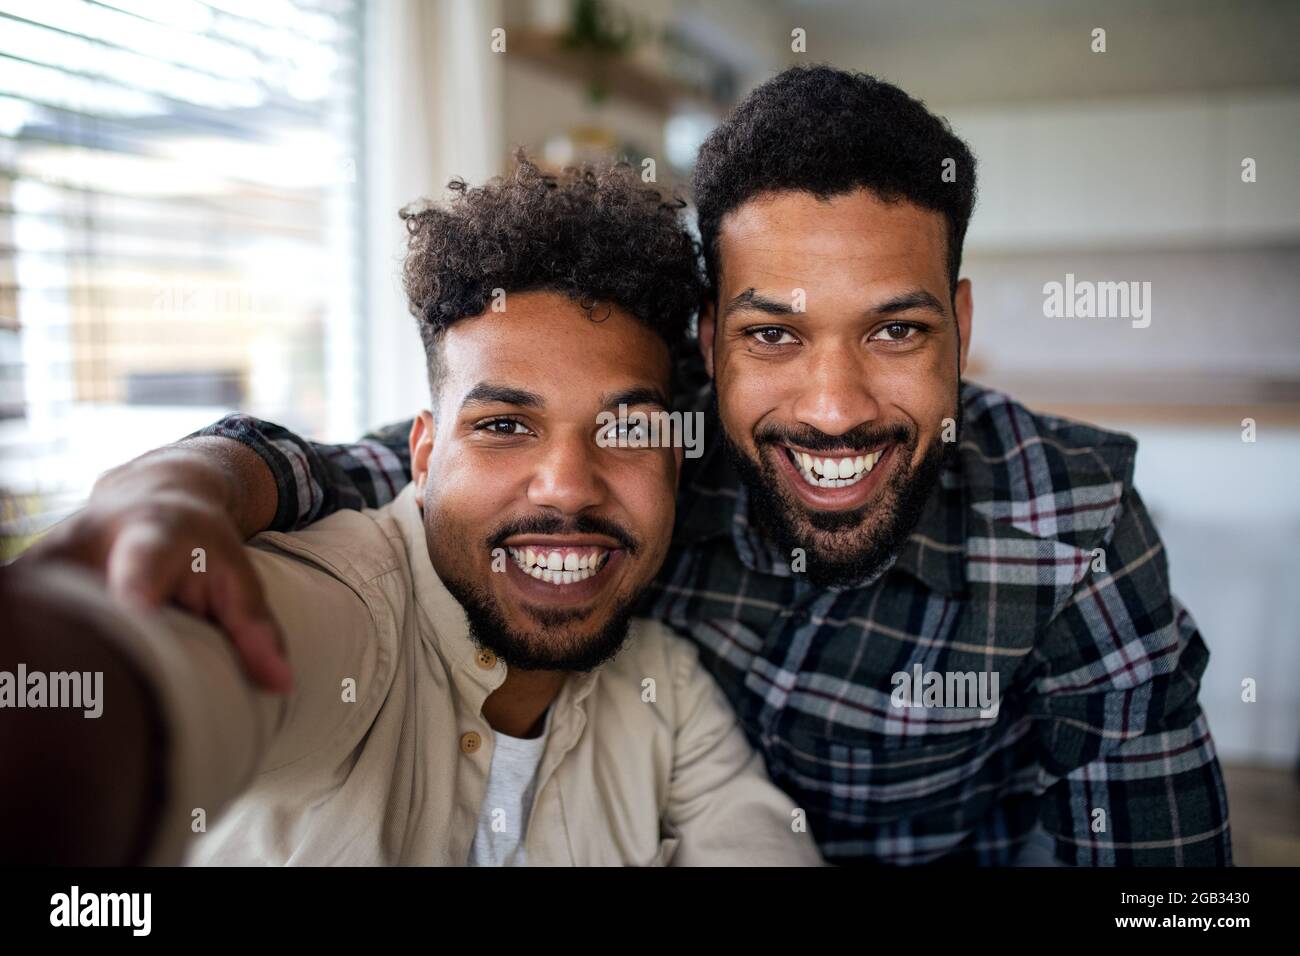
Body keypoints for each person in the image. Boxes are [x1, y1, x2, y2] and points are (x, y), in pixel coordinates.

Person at [33, 67, 1231, 866]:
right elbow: (407, 489)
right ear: (713, 348)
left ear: (960, 328)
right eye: (773, 333)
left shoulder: (1068, 522)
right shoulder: (652, 442)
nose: (831, 406)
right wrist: (189, 484)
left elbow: (1163, 878)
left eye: (896, 329)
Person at [8, 157, 823, 867]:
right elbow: (149, 684)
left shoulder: (666, 690)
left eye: (627, 430)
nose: (568, 487)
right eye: (505, 426)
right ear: (425, 456)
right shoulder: (342, 610)